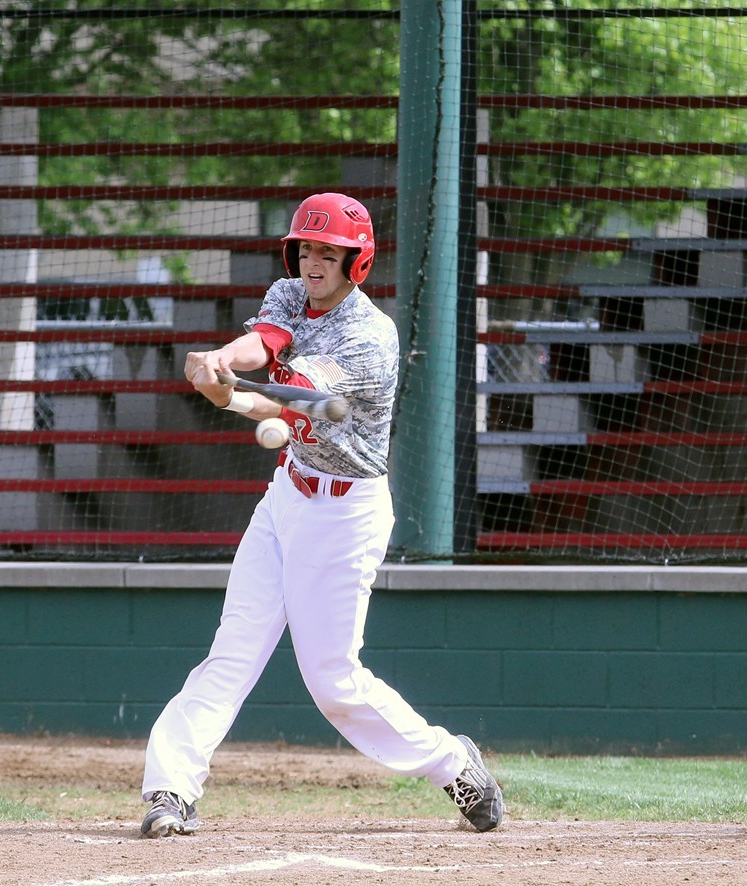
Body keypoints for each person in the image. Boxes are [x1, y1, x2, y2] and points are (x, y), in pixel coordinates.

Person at [137, 192, 503, 838]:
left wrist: (232, 392)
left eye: (327, 253)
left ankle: (454, 763)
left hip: (346, 516)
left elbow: (294, 397)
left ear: (354, 262)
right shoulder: (287, 294)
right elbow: (266, 344)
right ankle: (170, 789)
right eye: (306, 248)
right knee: (232, 650)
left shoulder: (371, 338)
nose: (312, 262)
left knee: (335, 684)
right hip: (287, 497)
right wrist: (223, 367)